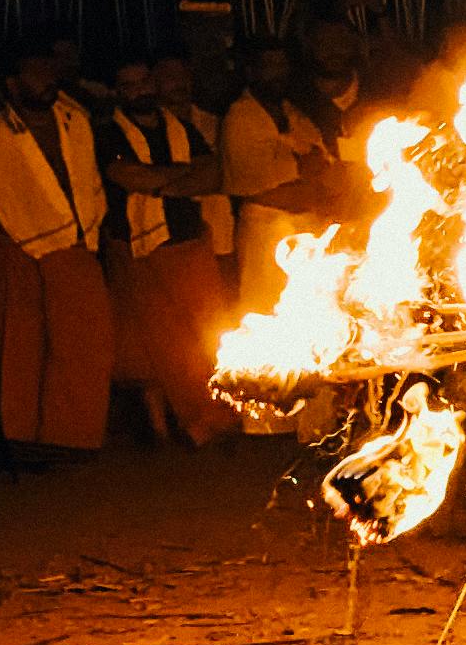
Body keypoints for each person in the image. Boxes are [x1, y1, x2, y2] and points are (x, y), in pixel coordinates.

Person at [0, 32, 112, 458]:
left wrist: (83, 232)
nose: (46, 82)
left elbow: (89, 181)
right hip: (16, 247)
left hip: (74, 246)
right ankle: (17, 439)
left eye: (49, 73)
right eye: (36, 75)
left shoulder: (75, 121)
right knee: (18, 347)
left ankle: (69, 436)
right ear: (13, 84)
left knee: (84, 343)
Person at [99, 47, 232, 442]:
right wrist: (177, 180)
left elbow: (212, 177)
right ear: (117, 92)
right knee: (155, 342)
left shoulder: (180, 127)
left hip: (189, 241)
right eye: (129, 85)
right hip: (139, 248)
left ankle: (207, 416)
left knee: (204, 337)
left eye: (144, 82)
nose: (138, 91)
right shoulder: (107, 132)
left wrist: (160, 182)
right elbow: (127, 176)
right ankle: (171, 426)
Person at [220, 33, 334, 314]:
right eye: (270, 66)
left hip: (308, 232)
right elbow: (258, 188)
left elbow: (324, 166)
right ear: (251, 71)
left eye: (282, 66)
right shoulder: (241, 117)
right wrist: (306, 175)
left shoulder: (293, 113)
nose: (278, 74)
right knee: (268, 310)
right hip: (265, 235)